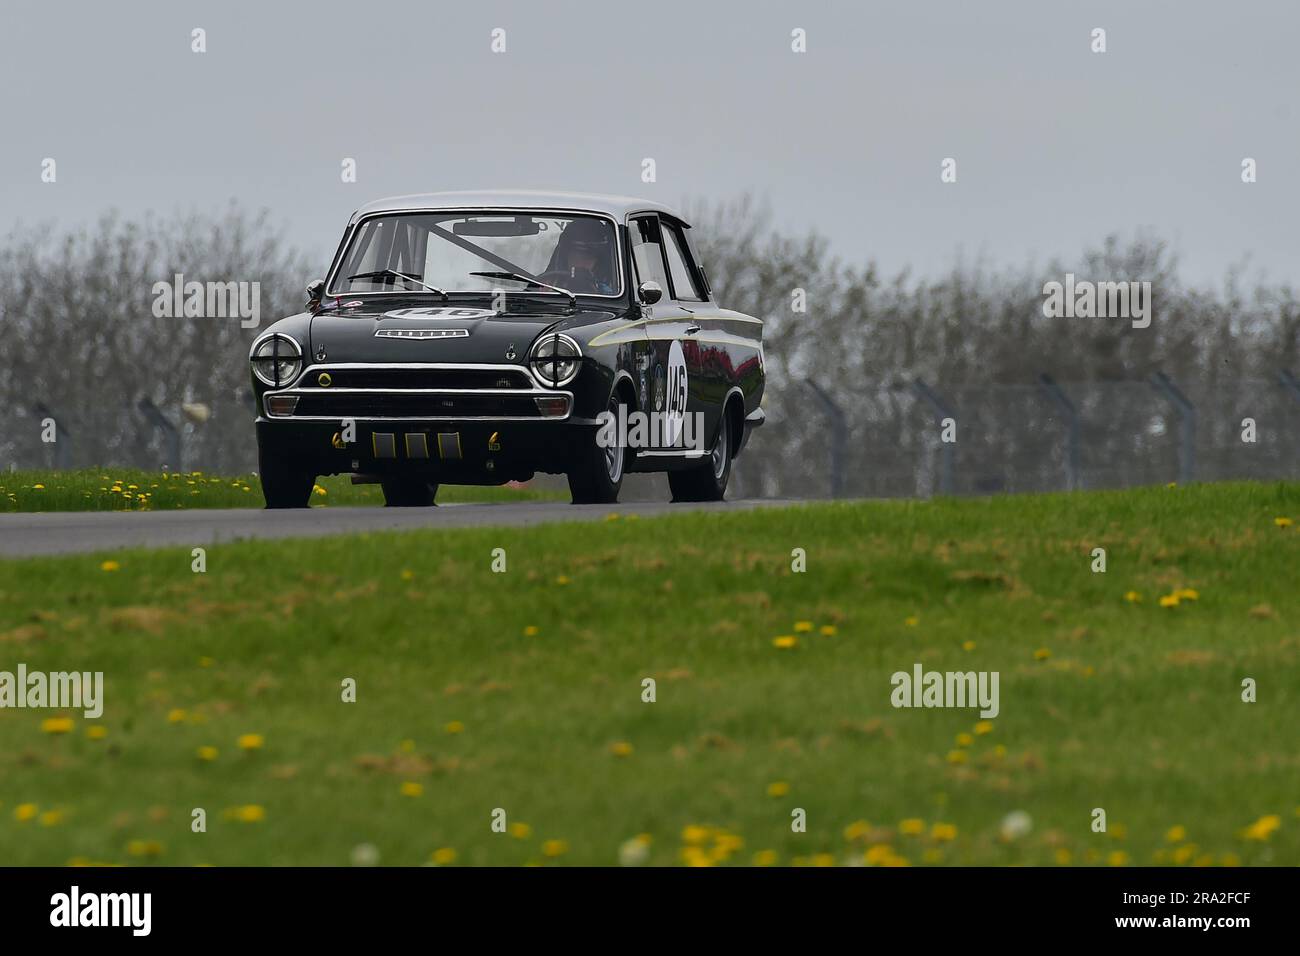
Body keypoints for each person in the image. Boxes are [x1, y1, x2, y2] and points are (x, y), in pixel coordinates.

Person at [546, 219, 616, 294]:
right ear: (565, 257)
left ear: (598, 261)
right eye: (575, 257)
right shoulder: (547, 285)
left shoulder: (610, 294)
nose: (580, 263)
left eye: (587, 258)